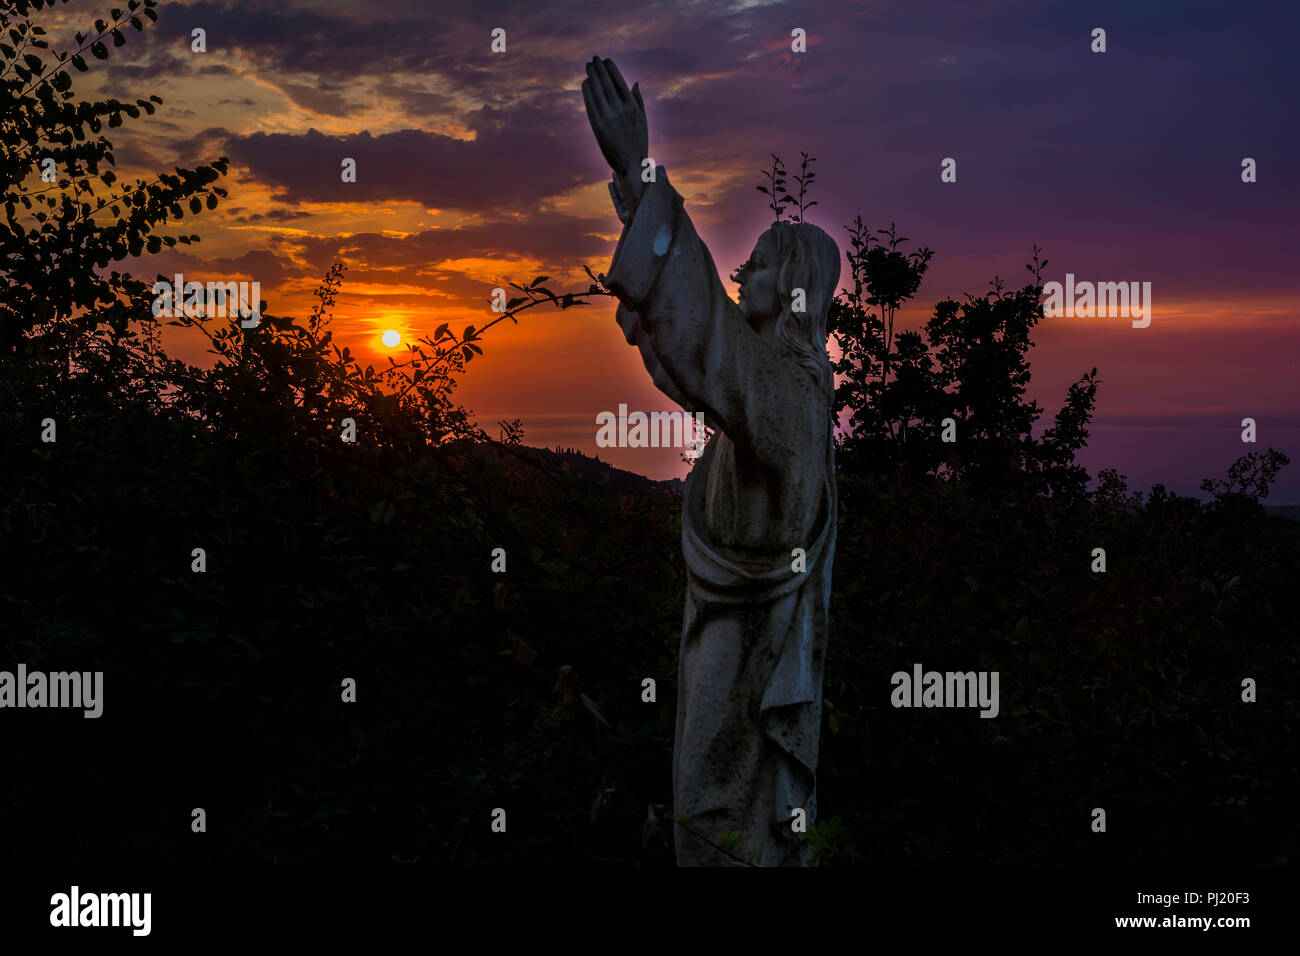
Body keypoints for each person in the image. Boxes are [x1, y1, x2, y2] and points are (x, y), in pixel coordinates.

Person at [583, 56, 840, 866]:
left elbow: (710, 346)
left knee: (719, 822)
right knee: (707, 820)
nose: (742, 272)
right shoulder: (762, 395)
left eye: (759, 263)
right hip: (724, 637)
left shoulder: (788, 401)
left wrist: (639, 172)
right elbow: (688, 359)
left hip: (746, 660)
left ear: (795, 288)